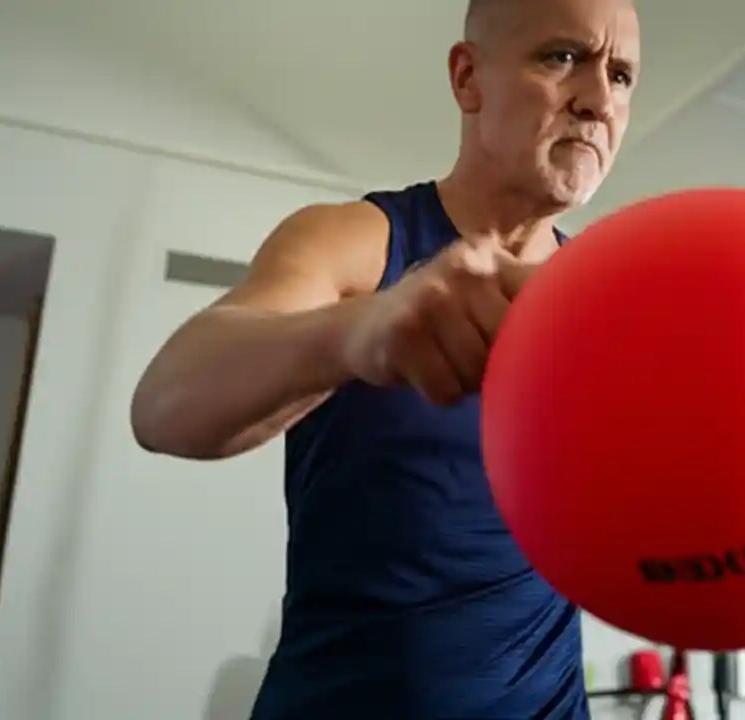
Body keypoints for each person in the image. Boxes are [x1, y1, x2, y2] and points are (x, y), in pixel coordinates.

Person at [130, 0, 640, 716]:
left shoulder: (607, 297)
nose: (598, 101)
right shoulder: (359, 240)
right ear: (468, 78)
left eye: (621, 76)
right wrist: (355, 332)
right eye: (562, 57)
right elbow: (163, 406)